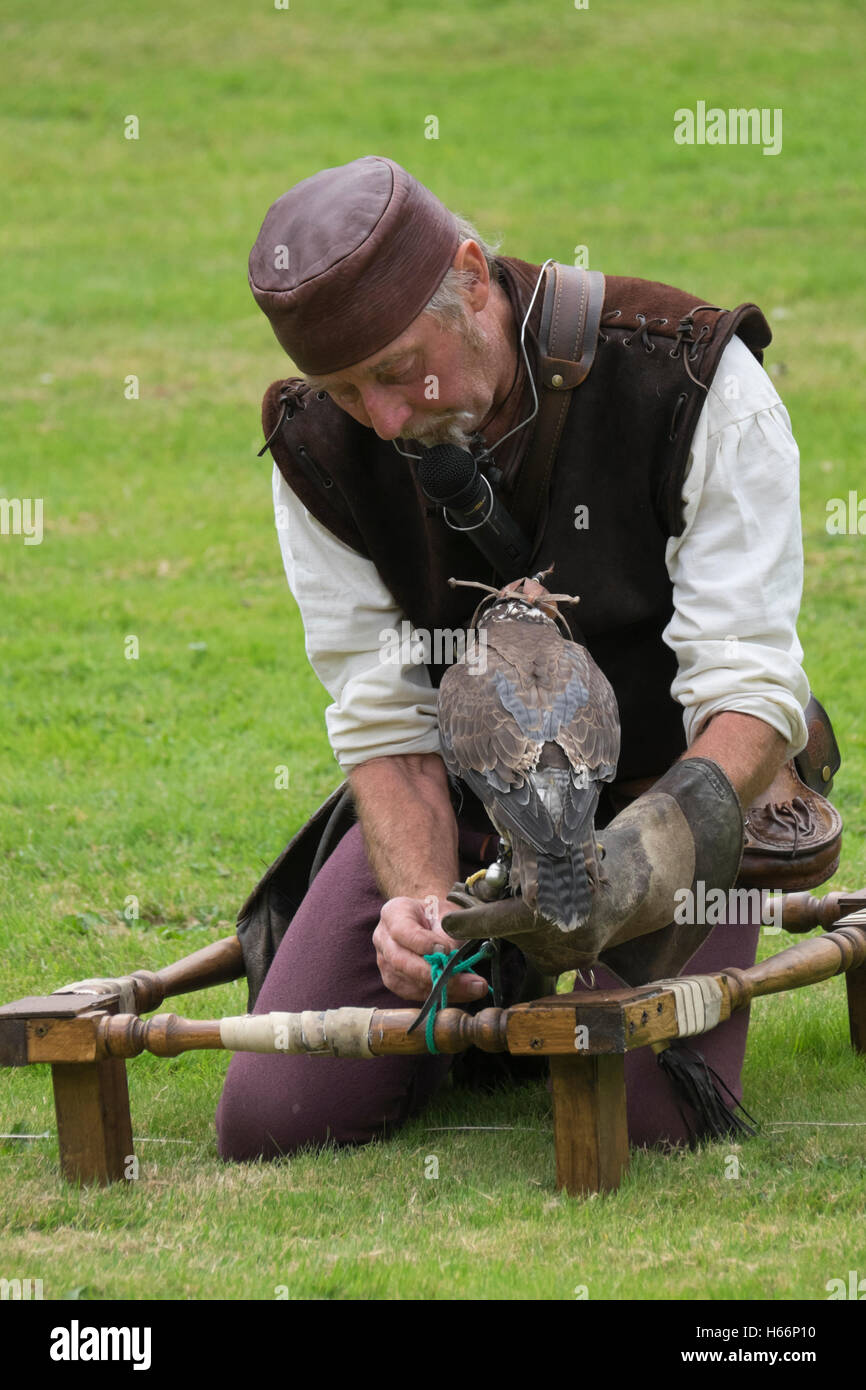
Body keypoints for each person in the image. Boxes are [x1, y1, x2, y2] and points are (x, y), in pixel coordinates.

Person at [215, 155, 810, 1160]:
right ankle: (501, 972)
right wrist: (415, 903)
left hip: (683, 781)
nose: (387, 419)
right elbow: (385, 722)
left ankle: (554, 967)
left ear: (472, 277)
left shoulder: (688, 377)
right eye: (348, 389)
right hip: (475, 799)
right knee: (277, 1116)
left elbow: (748, 692)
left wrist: (633, 867)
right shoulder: (321, 448)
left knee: (643, 1117)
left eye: (401, 369)